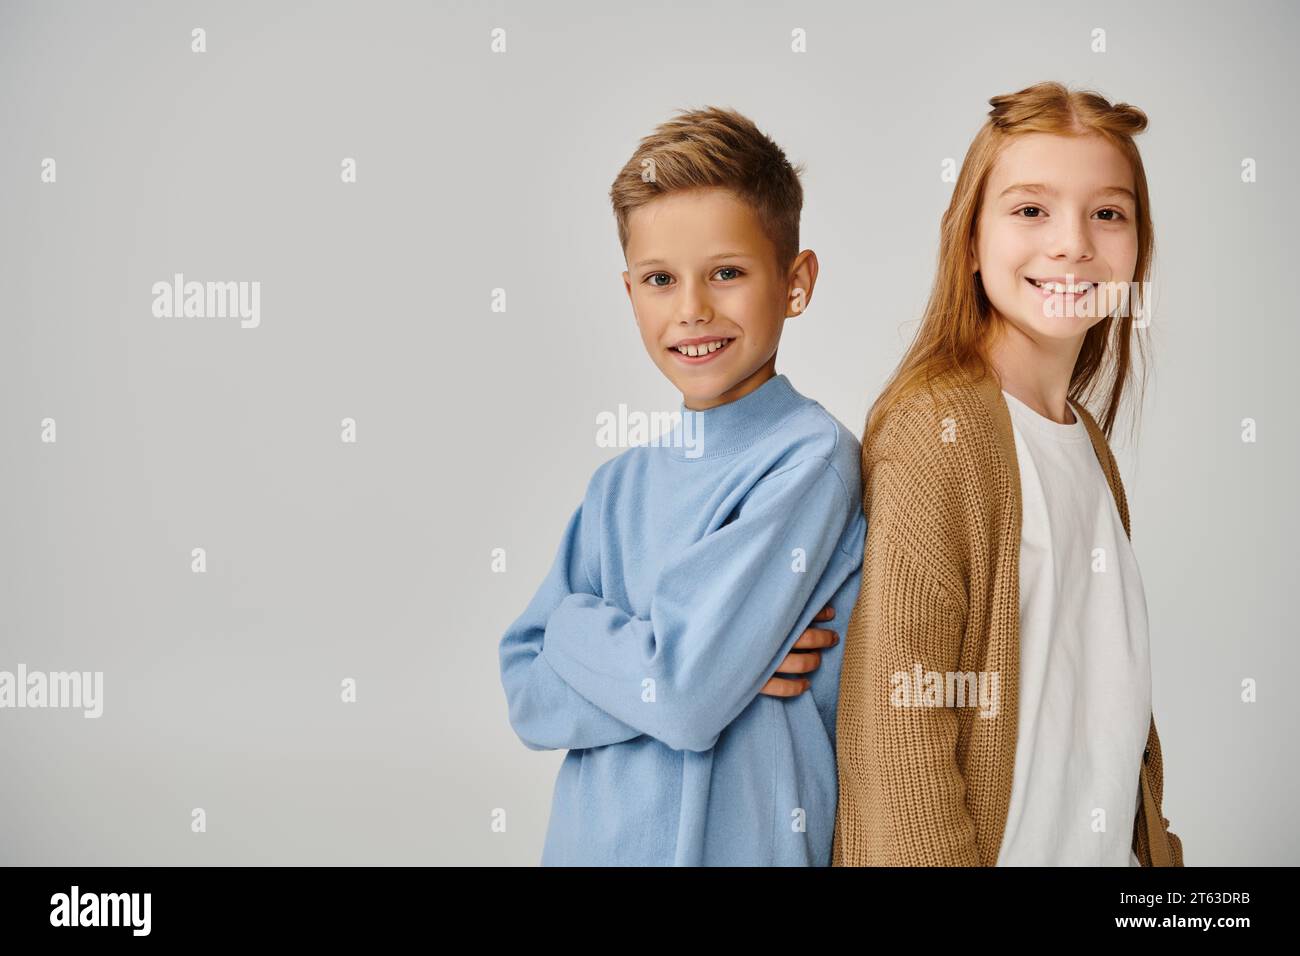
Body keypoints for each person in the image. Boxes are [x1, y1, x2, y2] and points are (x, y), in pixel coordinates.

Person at [499, 106, 866, 865]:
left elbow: (689, 698)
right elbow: (528, 693)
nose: (693, 309)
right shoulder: (617, 487)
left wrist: (576, 628)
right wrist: (709, 666)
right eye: (661, 279)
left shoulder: (807, 461)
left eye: (727, 273)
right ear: (629, 291)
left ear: (795, 282)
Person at [834, 81, 1183, 867]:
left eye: (1108, 212)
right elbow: (899, 734)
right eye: (1031, 210)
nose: (1072, 243)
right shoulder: (939, 432)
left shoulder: (1084, 441)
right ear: (969, 240)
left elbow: (1108, 719)